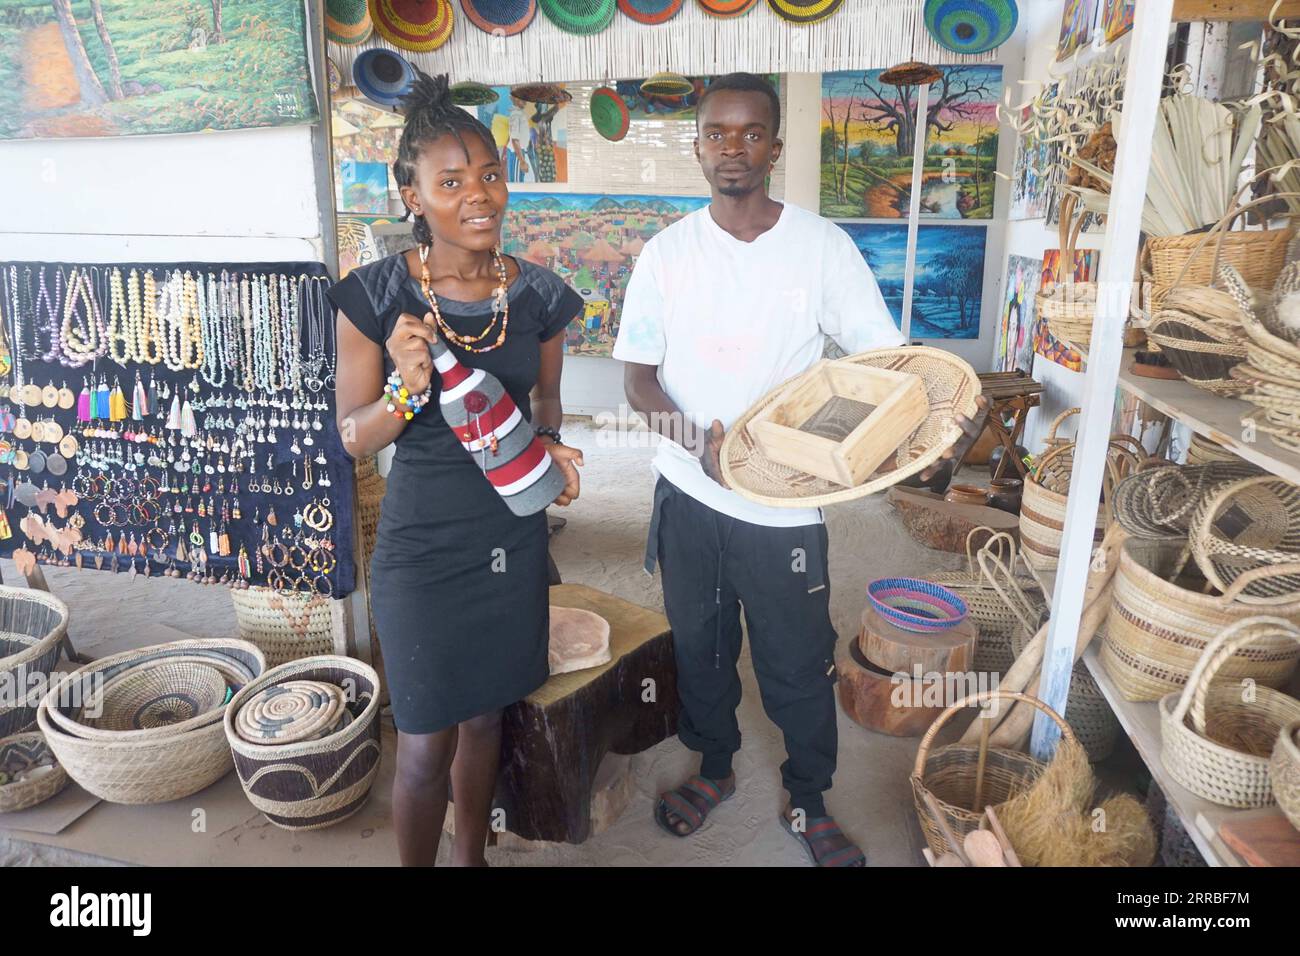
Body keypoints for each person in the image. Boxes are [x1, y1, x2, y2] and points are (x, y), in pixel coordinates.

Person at [613, 73, 984, 867]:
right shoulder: (667, 253)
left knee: (796, 664)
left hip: (784, 506)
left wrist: (933, 423)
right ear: (698, 145)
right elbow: (638, 378)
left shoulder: (821, 247)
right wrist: (696, 441)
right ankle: (714, 769)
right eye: (717, 133)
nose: (733, 148)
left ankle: (809, 796)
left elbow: (883, 361)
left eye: (751, 133)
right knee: (701, 651)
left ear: (776, 146)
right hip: (690, 496)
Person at [329, 73, 585, 867]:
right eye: (451, 182)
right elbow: (353, 438)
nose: (480, 196)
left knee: (485, 720)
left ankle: (469, 859)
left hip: (509, 536)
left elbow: (546, 405)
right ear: (411, 193)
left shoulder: (538, 295)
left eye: (490, 175)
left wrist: (553, 445)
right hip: (423, 550)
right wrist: (408, 391)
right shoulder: (373, 297)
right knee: (423, 741)